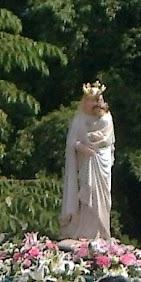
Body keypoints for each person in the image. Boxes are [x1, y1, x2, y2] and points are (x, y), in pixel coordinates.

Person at [60, 83, 115, 240]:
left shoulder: (107, 118)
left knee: (101, 196)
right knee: (86, 193)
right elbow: (72, 142)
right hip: (85, 161)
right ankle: (84, 231)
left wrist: (96, 144)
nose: (95, 103)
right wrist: (82, 147)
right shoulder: (79, 118)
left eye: (97, 100)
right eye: (91, 100)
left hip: (101, 160)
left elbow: (108, 141)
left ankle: (101, 232)